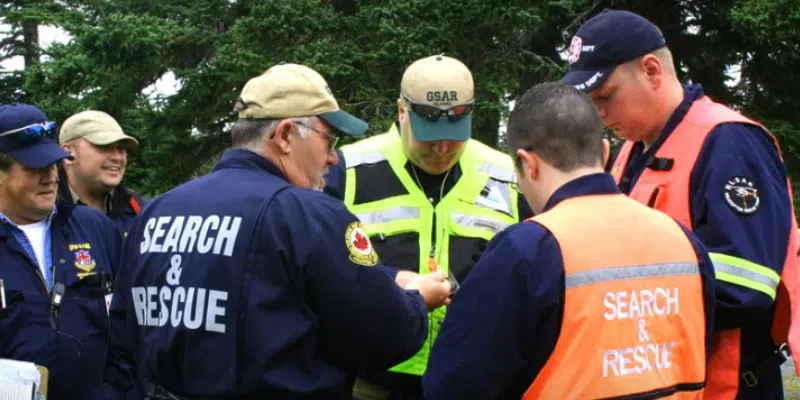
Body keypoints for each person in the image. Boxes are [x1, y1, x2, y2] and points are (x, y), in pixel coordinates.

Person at [106, 63, 452, 399]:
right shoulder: (308, 214)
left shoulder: (157, 211)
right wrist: (416, 300)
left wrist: (389, 278)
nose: (333, 159)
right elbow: (385, 336)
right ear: (285, 135)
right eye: (328, 141)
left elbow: (123, 335)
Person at [560, 9, 800, 399]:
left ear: (652, 70)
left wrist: (612, 302)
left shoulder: (729, 143)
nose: (599, 114)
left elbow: (746, 287)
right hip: (665, 381)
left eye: (605, 95)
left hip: (728, 387)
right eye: (591, 101)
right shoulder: (630, 153)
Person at [423, 82, 716, 399]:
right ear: (604, 153)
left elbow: (453, 384)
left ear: (528, 163)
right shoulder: (684, 241)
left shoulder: (527, 249)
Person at [324, 54, 533, 399]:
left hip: (475, 377)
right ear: (401, 111)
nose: (441, 148)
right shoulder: (347, 170)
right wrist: (392, 281)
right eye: (429, 135)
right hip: (374, 378)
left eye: (453, 135)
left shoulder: (508, 175)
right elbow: (322, 268)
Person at [0, 103, 122, 399]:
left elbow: (129, 321)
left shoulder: (94, 227)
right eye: (34, 168)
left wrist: (119, 390)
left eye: (53, 165)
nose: (51, 177)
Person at [58, 110, 147, 235]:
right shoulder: (40, 214)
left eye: (121, 148)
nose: (117, 157)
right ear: (68, 153)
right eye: (104, 146)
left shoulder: (142, 212)